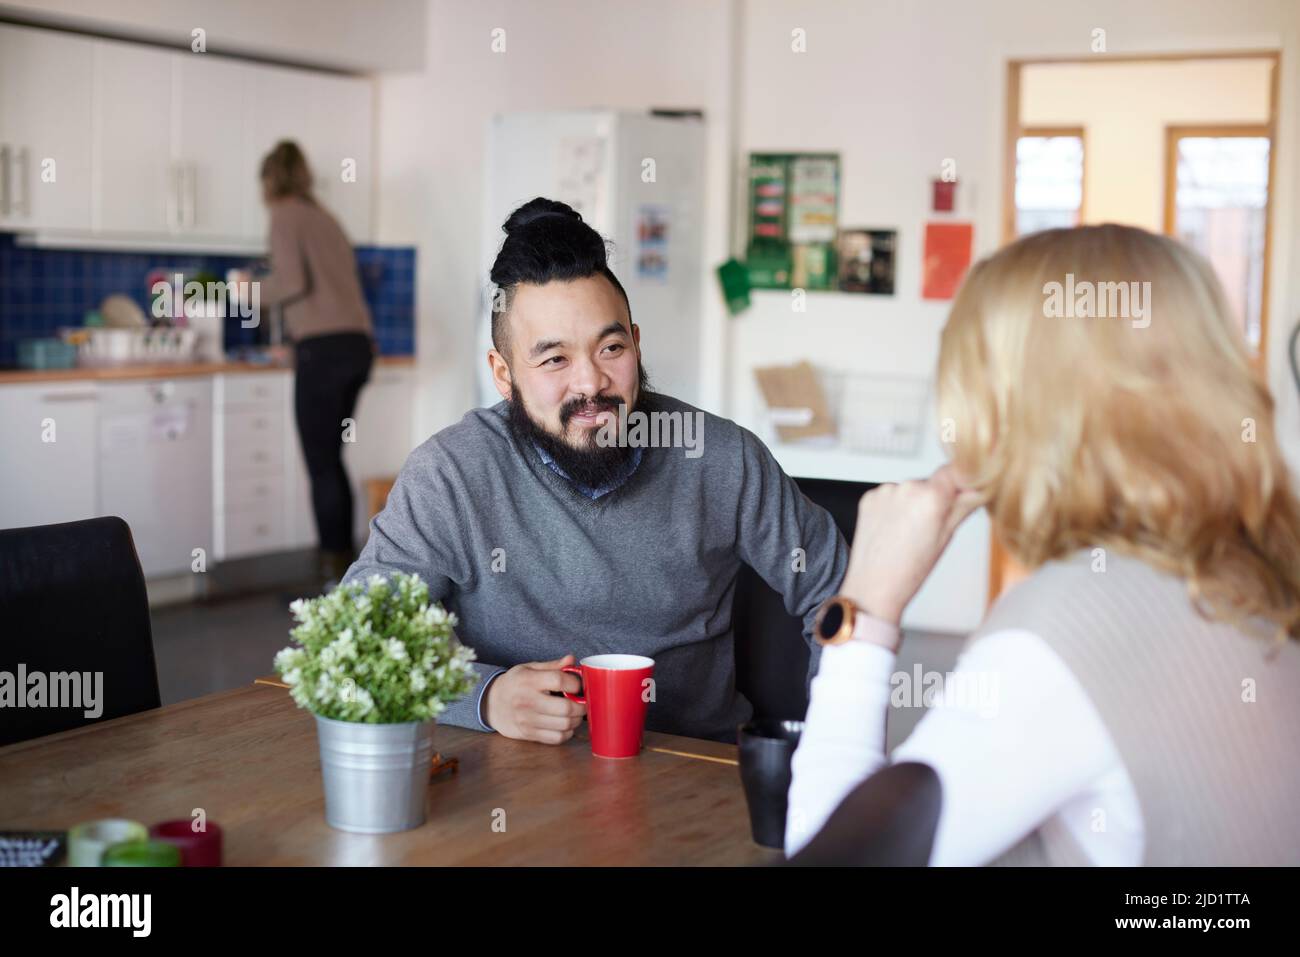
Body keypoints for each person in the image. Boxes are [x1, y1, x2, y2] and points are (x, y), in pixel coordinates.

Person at [787, 223, 1300, 865]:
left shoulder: (1071, 626)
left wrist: (865, 609)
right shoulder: (1255, 571)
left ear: (1005, 404)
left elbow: (825, 852)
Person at [343, 197, 848, 744]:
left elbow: (844, 594)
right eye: (554, 359)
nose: (591, 383)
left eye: (610, 347)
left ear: (636, 341)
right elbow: (356, 639)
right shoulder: (451, 475)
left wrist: (834, 748)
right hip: (511, 780)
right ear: (503, 374)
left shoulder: (722, 458)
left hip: (693, 773)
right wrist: (484, 696)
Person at [253, 141, 376, 584]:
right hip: (355, 347)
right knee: (331, 460)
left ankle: (334, 573)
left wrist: (243, 289)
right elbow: (329, 288)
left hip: (323, 352)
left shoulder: (284, 214)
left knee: (322, 463)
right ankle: (342, 567)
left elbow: (290, 281)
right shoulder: (324, 217)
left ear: (269, 181)